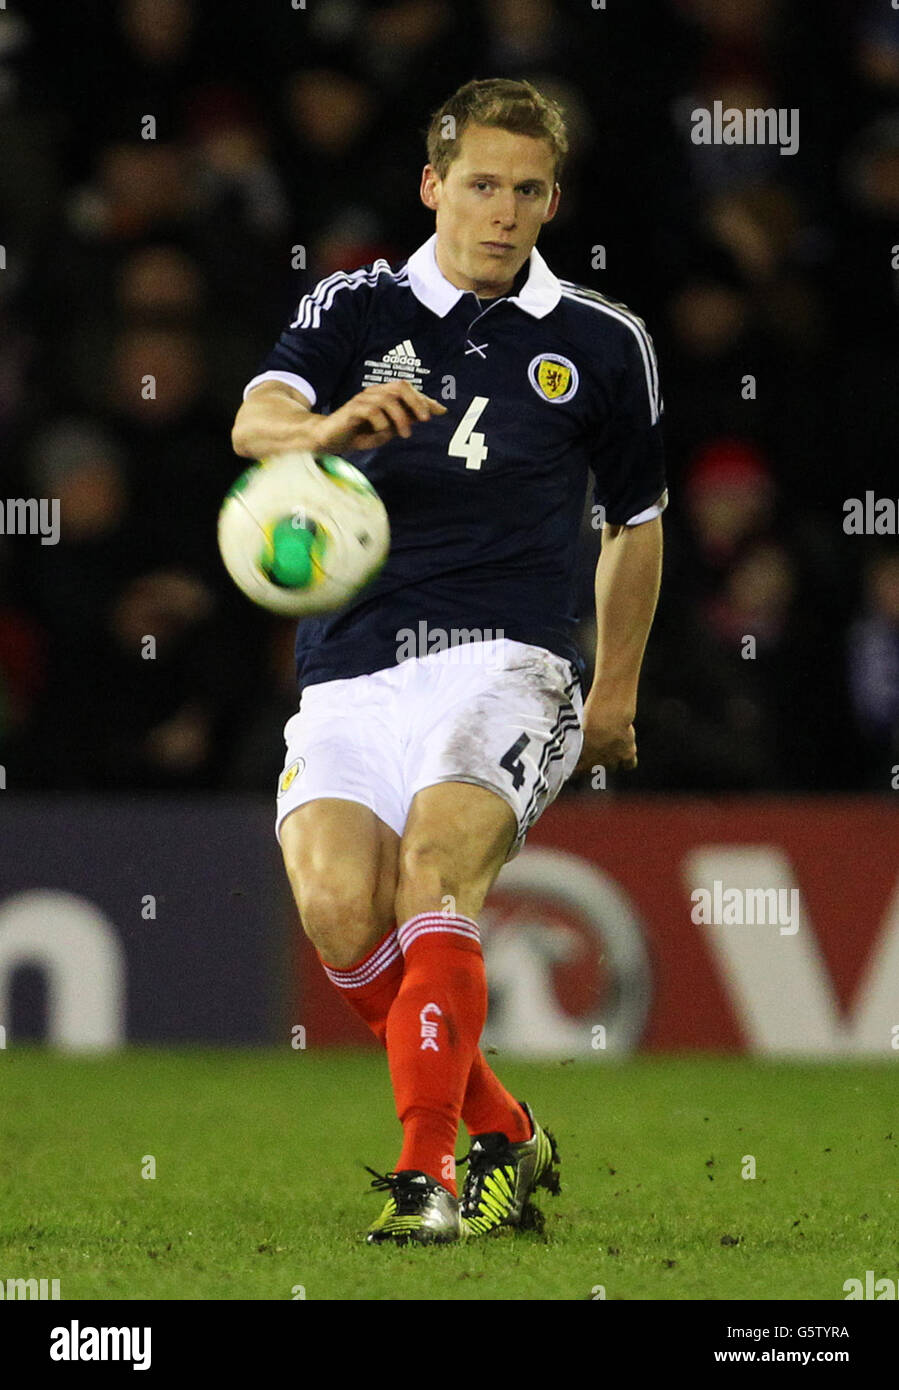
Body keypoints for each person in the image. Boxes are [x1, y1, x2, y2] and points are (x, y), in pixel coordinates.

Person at [230, 77, 666, 1245]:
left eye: (527, 191)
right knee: (336, 912)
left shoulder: (601, 342)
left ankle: (425, 1180)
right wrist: (322, 430)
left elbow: (638, 520)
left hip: (511, 663)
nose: (503, 211)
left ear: (551, 200)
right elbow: (252, 420)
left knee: (433, 875)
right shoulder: (353, 306)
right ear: (433, 187)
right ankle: (507, 1132)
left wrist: (612, 688)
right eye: (479, 184)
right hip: (352, 665)